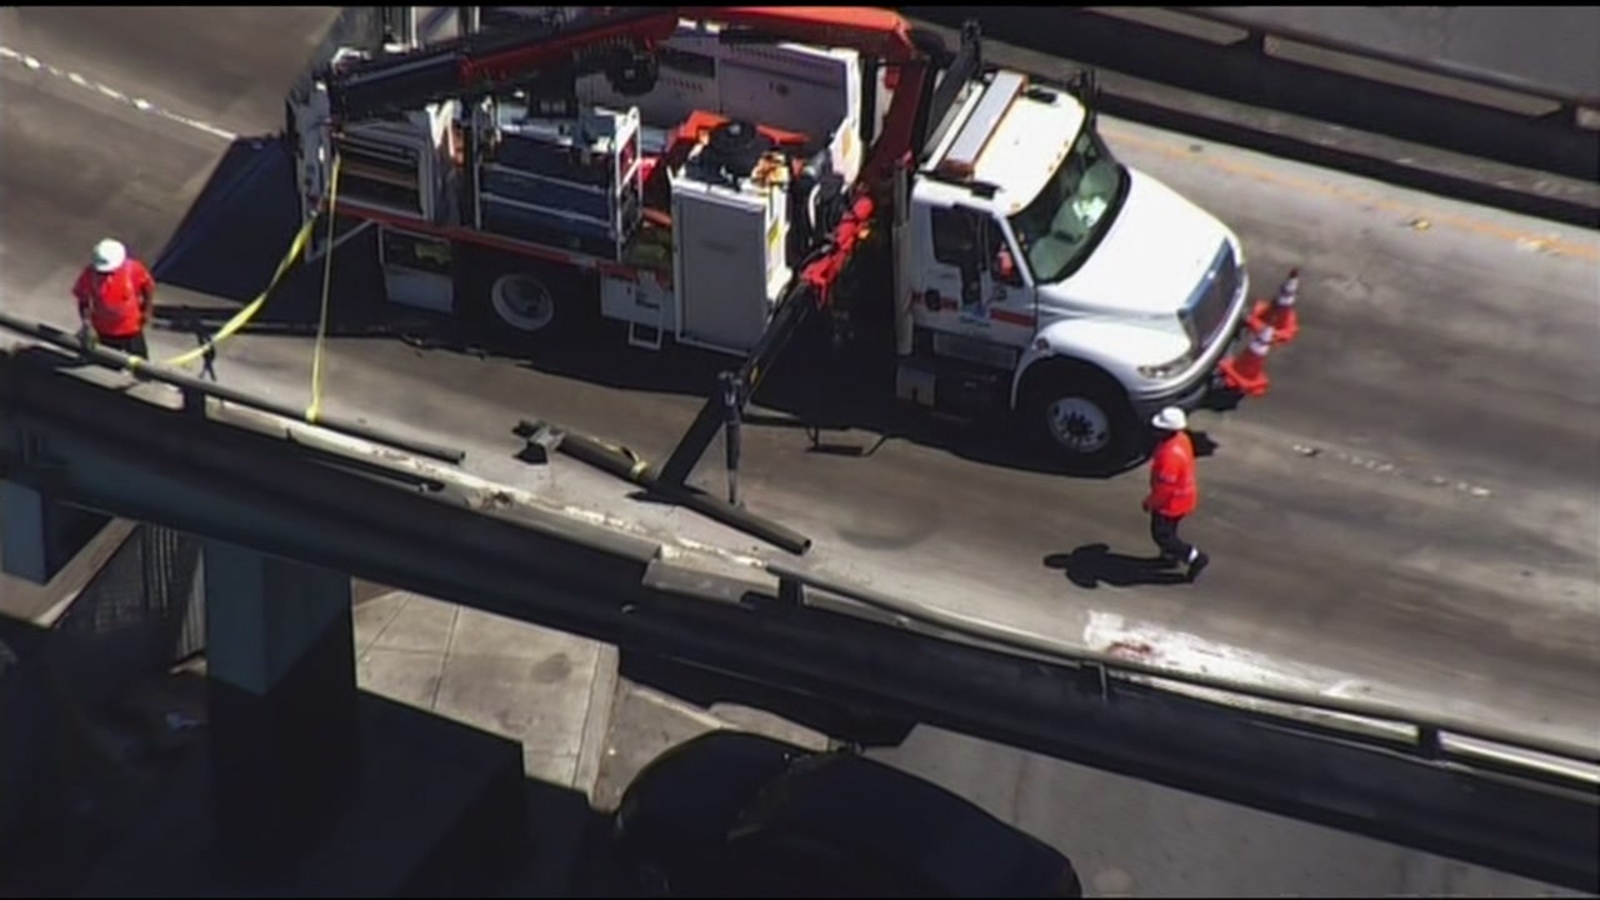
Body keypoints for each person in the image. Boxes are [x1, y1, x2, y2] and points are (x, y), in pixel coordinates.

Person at [1143, 406, 1210, 582]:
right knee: (1170, 529)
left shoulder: (1169, 456)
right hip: (1184, 497)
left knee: (1162, 535)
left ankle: (1194, 557)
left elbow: (1165, 489)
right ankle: (1169, 558)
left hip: (1171, 503)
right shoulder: (1182, 439)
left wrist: (1150, 503)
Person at [72, 238, 156, 359]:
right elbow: (83, 299)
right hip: (104, 329)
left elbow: (148, 287)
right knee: (109, 361)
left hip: (131, 328)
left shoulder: (132, 269)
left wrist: (147, 311)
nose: (105, 275)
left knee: (139, 362)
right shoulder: (90, 274)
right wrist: (87, 324)